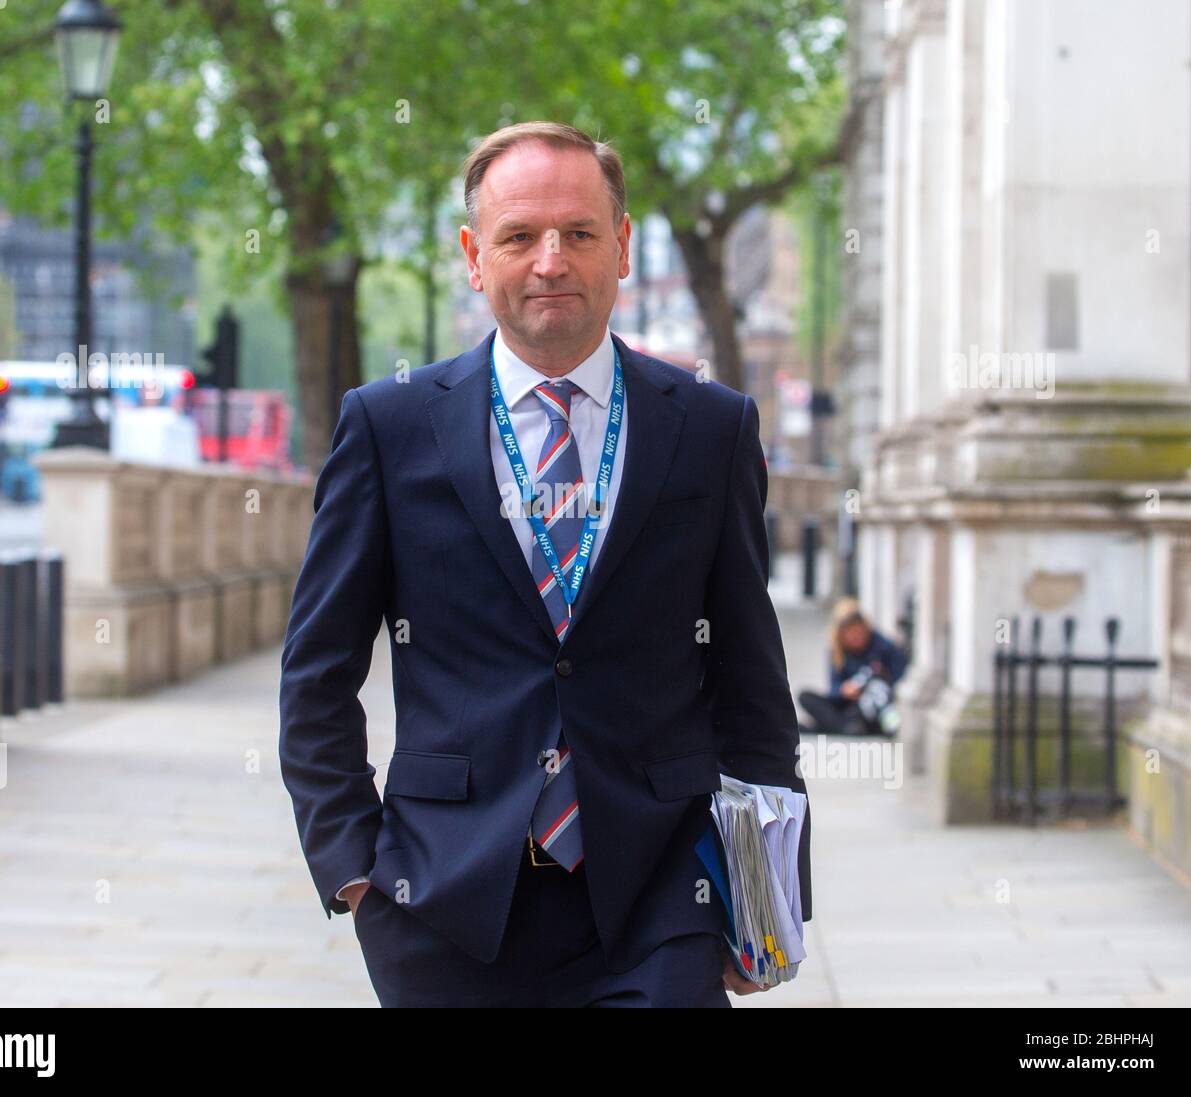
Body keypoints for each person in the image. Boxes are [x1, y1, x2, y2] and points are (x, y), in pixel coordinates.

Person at [278, 121, 809, 1007]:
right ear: (474, 257)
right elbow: (317, 671)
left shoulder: (711, 429)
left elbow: (752, 680)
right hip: (444, 901)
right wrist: (355, 875)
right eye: (519, 236)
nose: (551, 261)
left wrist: (764, 899)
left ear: (624, 247)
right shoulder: (389, 426)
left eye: (579, 233)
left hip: (662, 901)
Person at [797, 598, 908, 737]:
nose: (856, 639)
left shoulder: (881, 645)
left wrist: (882, 678)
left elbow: (898, 671)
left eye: (858, 633)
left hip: (867, 707)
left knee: (858, 716)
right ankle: (843, 728)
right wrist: (845, 690)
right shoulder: (837, 652)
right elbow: (833, 690)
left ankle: (827, 728)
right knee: (805, 696)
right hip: (845, 706)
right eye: (851, 635)